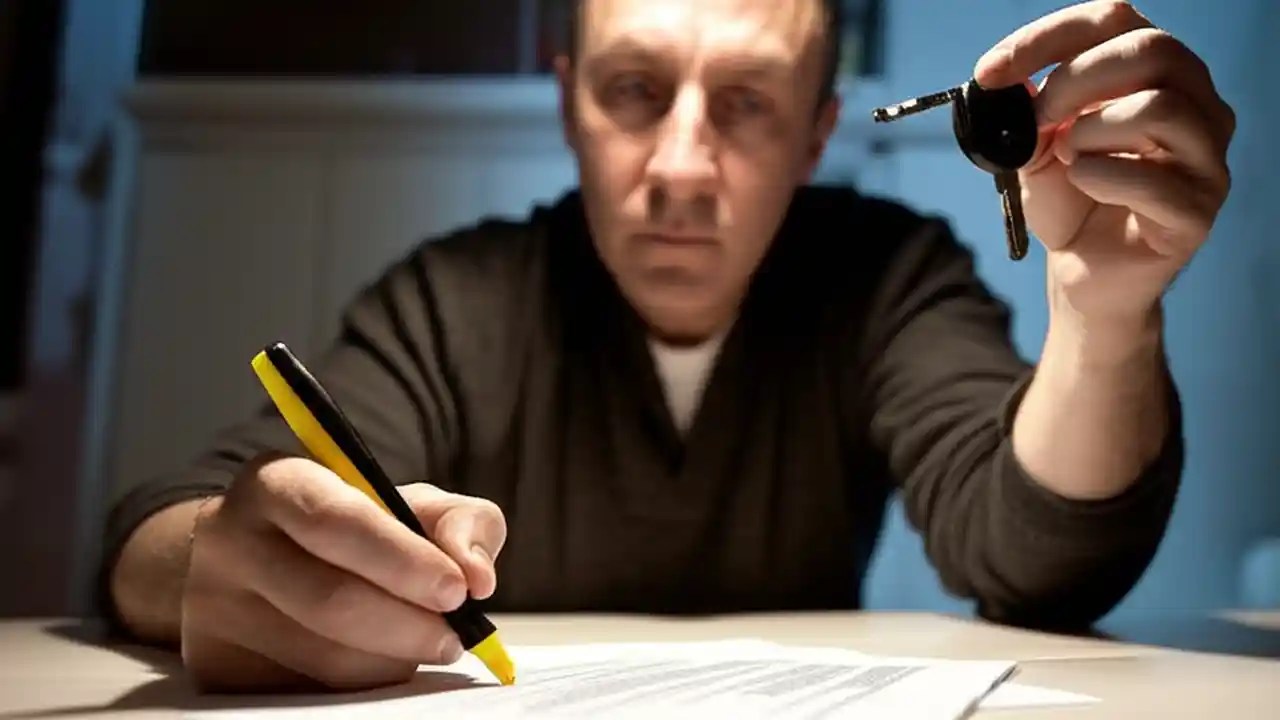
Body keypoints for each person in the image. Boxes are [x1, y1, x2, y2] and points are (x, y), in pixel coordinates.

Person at [102, 0, 1234, 693]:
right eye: (635, 91)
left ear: (815, 137)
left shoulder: (886, 277)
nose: (682, 168)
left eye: (746, 104)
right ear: (570, 105)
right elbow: (162, 526)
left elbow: (1036, 559)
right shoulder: (458, 299)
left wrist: (1102, 316)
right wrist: (221, 555)